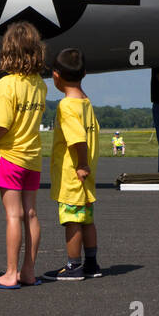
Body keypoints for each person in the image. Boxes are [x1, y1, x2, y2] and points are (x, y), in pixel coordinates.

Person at [0, 22, 48, 289]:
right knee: (31, 214)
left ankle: (10, 272)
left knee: (12, 215)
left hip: (11, 156)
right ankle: (29, 271)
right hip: (33, 157)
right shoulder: (40, 85)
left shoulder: (7, 84)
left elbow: (2, 124)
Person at [47, 48, 103, 280]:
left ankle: (73, 266)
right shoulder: (85, 102)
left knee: (72, 220)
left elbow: (77, 138)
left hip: (73, 174)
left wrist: (80, 164)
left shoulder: (66, 106)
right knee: (87, 219)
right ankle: (91, 263)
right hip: (87, 174)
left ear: (56, 76)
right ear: (84, 74)